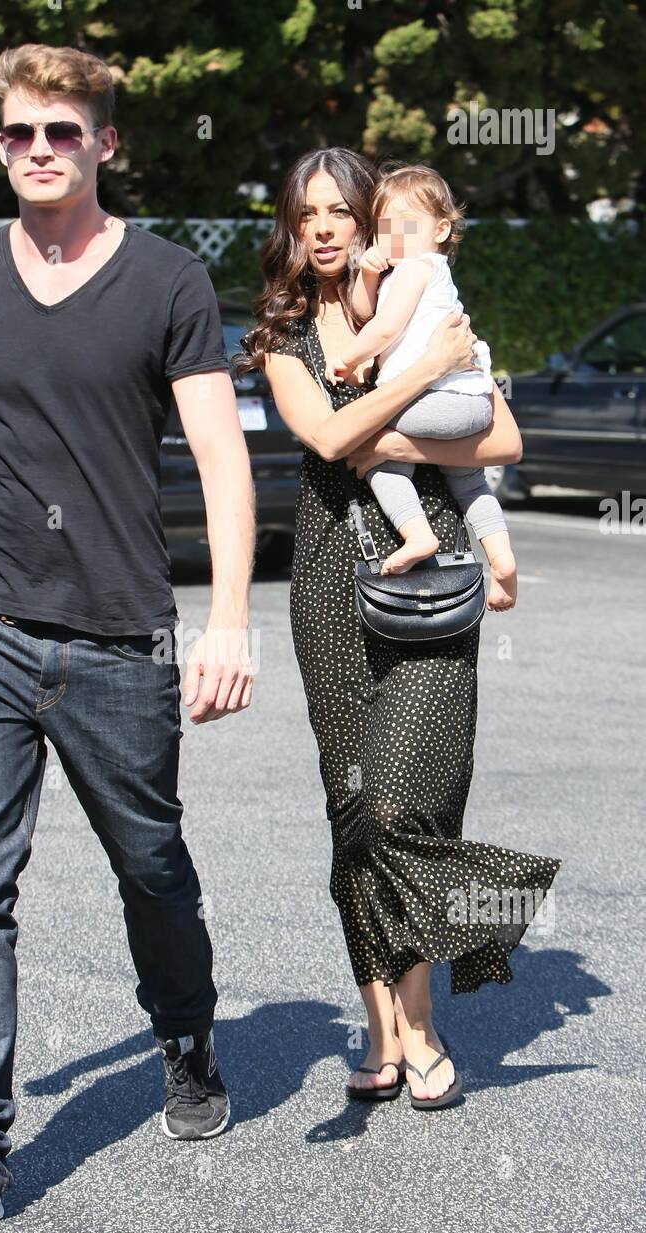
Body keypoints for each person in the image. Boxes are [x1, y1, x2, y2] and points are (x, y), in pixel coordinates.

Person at [0, 43, 255, 1233]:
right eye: (19, 132)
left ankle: (184, 1031)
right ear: (1, 144)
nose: (39, 150)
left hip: (120, 631)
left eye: (63, 131)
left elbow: (220, 457)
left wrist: (229, 618)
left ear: (104, 143)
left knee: (152, 865)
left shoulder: (169, 280)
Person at [237, 147, 561, 1110]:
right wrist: (422, 375)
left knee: (400, 807)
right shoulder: (285, 338)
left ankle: (425, 1015)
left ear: (371, 219)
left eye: (341, 211)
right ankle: (385, 1027)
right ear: (291, 229)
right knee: (352, 814)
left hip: (432, 582)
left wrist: (407, 407)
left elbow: (502, 438)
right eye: (307, 214)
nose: (324, 228)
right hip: (328, 584)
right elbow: (329, 437)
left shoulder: (424, 303)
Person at [323, 163, 516, 608]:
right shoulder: (415, 272)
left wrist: (349, 358)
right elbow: (364, 308)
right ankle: (502, 559)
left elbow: (382, 327)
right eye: (385, 226)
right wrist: (368, 274)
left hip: (433, 399)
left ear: (441, 230)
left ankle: (417, 534)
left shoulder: (417, 269)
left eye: (407, 225)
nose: (394, 236)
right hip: (468, 400)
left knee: (377, 454)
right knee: (470, 483)